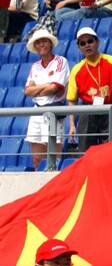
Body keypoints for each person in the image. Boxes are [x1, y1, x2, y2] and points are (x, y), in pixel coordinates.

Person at [65, 24, 112, 152]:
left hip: (110, 110)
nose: (87, 45)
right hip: (87, 113)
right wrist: (72, 124)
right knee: (86, 152)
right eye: (82, 43)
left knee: (111, 150)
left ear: (97, 42)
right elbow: (72, 100)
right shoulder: (76, 70)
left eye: (90, 41)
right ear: (79, 47)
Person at [23, 29, 69, 170]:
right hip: (37, 111)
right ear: (35, 47)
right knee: (37, 158)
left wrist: (36, 89)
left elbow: (55, 87)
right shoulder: (35, 66)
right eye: (38, 42)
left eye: (44, 41)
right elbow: (27, 91)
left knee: (54, 156)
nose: (41, 44)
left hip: (53, 109)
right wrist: (45, 87)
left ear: (50, 43)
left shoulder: (61, 61)